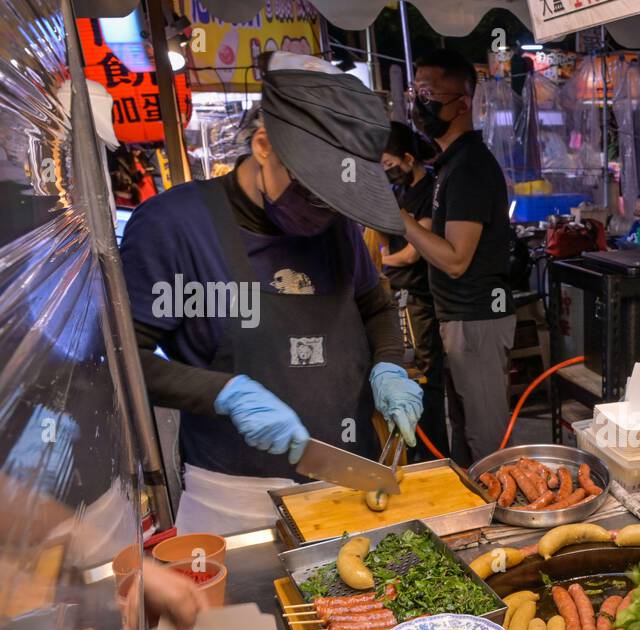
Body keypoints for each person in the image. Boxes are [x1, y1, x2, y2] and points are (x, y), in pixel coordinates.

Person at [121, 53, 422, 533]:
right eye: (312, 195)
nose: (323, 216)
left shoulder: (337, 227)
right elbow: (123, 360)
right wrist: (225, 394)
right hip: (236, 497)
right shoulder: (173, 227)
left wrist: (390, 364)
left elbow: (376, 306)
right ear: (263, 145)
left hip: (352, 481)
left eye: (336, 202)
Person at [400, 48, 517, 464]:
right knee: (466, 435)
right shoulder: (449, 163)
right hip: (459, 317)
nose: (418, 104)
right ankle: (478, 517)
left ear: (463, 103)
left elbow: (455, 259)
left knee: (487, 443)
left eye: (428, 93)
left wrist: (401, 221)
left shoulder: (469, 166)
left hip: (477, 320)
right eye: (416, 93)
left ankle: (507, 520)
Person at [380, 121, 448, 459]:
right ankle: (417, 452)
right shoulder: (400, 190)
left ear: (408, 158)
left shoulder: (429, 190)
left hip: (420, 300)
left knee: (426, 378)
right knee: (410, 377)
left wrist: (382, 262)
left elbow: (412, 252)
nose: (387, 171)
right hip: (401, 297)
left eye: (390, 164)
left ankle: (434, 457)